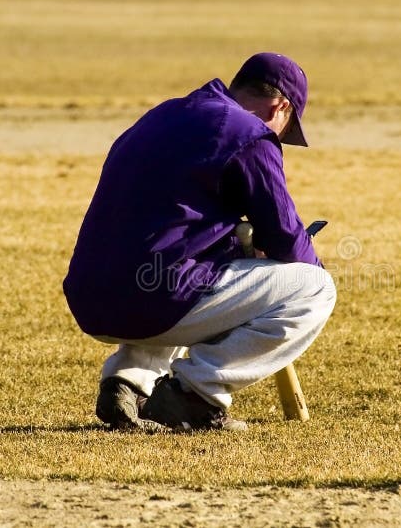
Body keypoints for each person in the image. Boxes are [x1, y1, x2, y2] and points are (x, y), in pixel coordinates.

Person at [63, 53, 337, 432]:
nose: (280, 139)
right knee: (315, 288)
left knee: (182, 269)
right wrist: (296, 263)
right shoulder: (251, 134)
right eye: (286, 128)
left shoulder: (165, 114)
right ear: (281, 106)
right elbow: (287, 240)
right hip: (150, 298)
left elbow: (172, 225)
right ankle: (194, 395)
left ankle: (128, 382)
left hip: (89, 295)